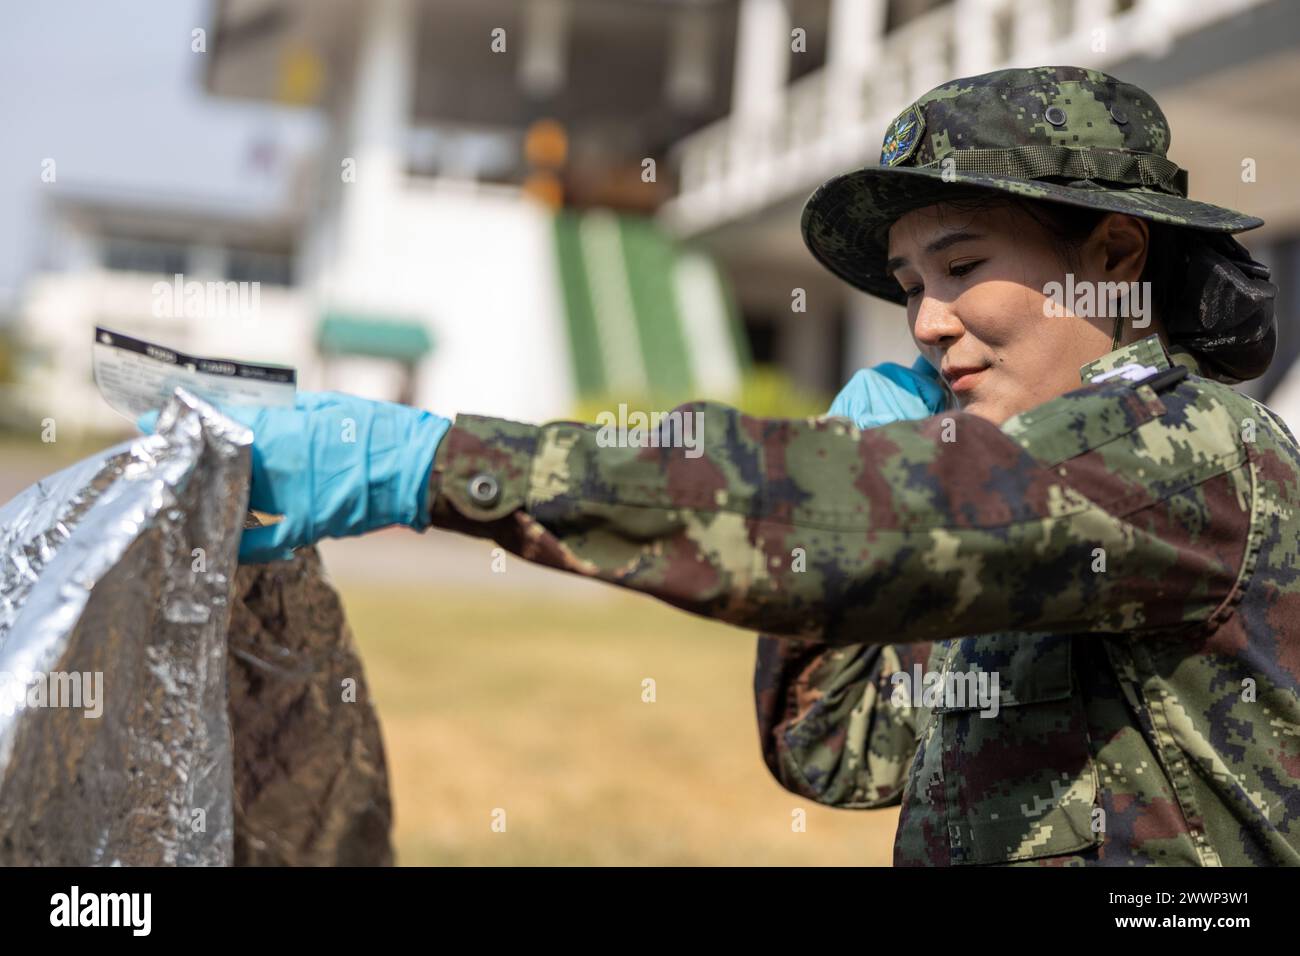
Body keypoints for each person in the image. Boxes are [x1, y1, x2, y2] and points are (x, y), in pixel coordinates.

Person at [140, 66, 1297, 866]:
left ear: (1110, 253)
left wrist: (441, 460)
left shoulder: (1174, 450)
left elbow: (819, 519)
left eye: (961, 264)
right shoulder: (1019, 486)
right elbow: (837, 748)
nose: (929, 323)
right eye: (909, 289)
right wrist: (865, 495)